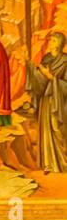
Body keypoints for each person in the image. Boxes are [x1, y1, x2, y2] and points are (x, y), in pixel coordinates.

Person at [28, 30, 67, 173]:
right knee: (45, 129)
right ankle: (48, 164)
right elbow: (39, 81)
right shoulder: (46, 59)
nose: (49, 42)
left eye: (52, 40)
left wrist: (51, 77)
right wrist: (32, 69)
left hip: (58, 101)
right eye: (50, 40)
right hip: (46, 98)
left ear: (59, 44)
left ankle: (62, 162)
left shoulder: (65, 61)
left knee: (57, 128)